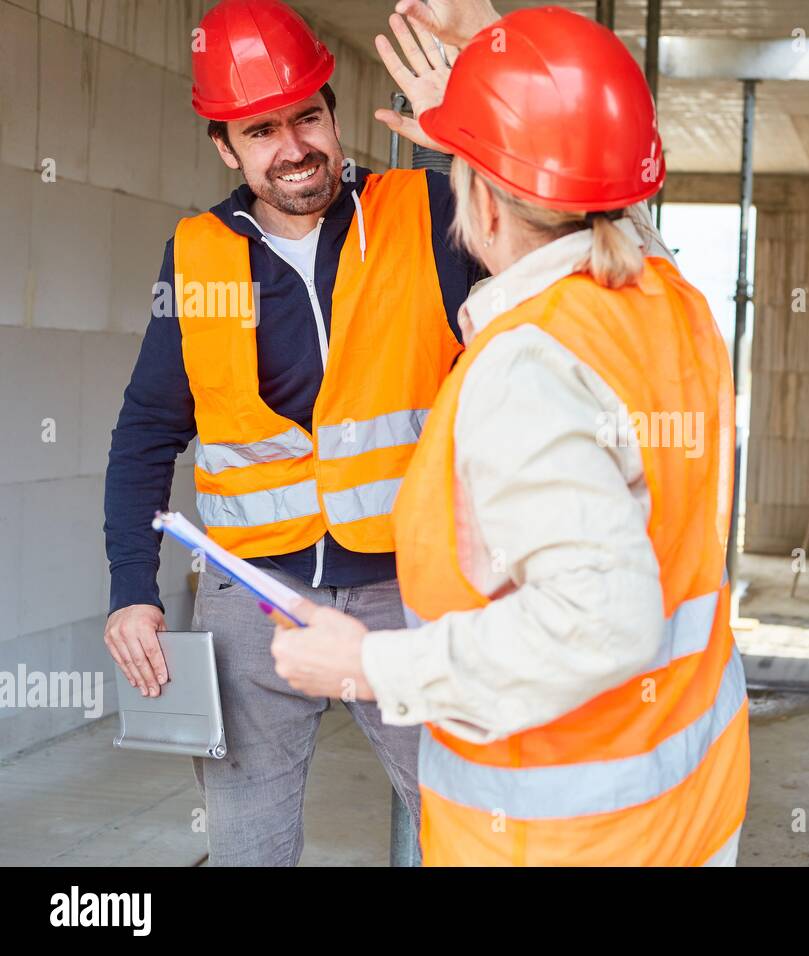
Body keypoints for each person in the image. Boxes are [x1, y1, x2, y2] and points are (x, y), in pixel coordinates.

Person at [270, 2, 750, 866]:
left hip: (563, 840)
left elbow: (604, 621)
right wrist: (510, 77)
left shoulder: (529, 364)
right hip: (689, 816)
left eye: (462, 168)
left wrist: (373, 667)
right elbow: (602, 196)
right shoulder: (672, 303)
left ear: (485, 204)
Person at [102, 0, 495, 866]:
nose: (294, 147)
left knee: (478, 828)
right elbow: (146, 432)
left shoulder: (427, 211)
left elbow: (556, 230)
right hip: (253, 600)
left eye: (308, 116)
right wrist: (134, 586)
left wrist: (474, 131)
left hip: (409, 594)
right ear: (225, 146)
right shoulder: (197, 256)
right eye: (261, 129)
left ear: (334, 110)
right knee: (249, 851)